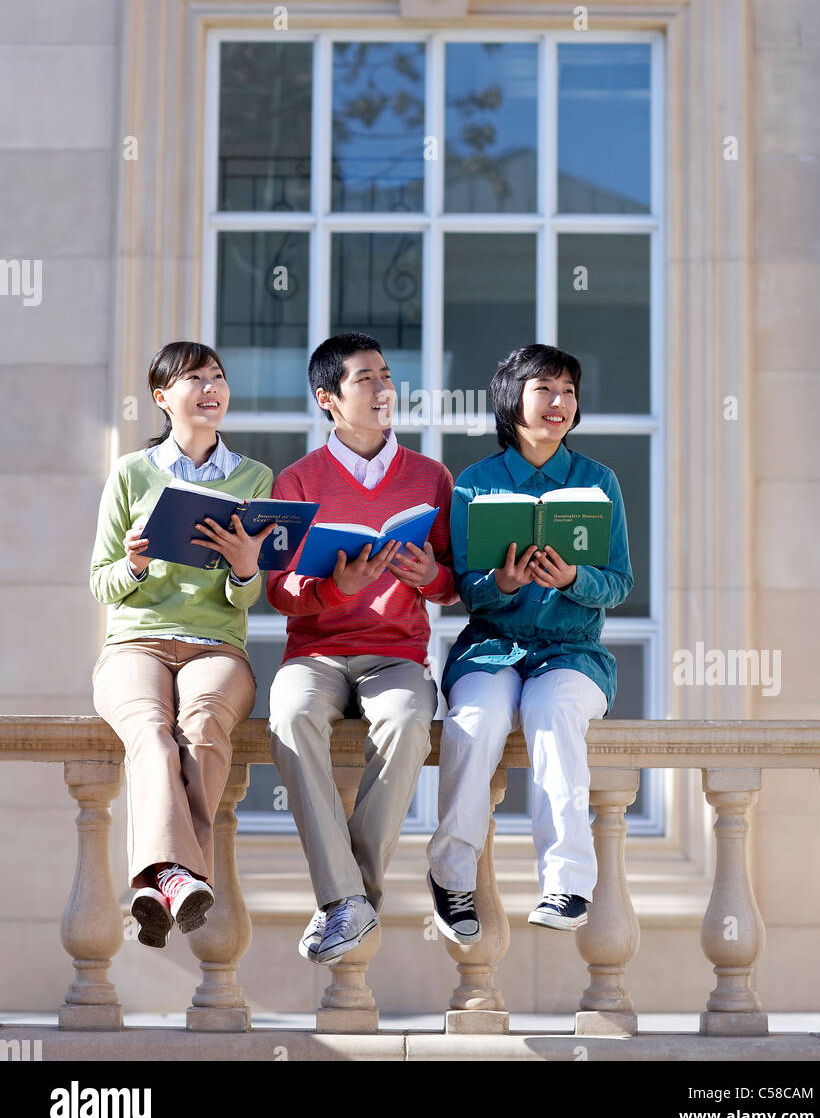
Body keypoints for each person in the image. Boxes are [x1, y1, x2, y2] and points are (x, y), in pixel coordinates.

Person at [426, 343, 633, 943]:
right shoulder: (475, 483)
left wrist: (575, 578)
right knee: (476, 719)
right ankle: (452, 877)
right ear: (511, 399)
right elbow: (465, 586)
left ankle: (567, 883)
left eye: (568, 390)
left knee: (552, 711)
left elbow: (619, 584)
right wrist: (501, 582)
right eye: (545, 389)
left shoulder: (599, 482)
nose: (559, 402)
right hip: (492, 646)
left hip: (572, 652)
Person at [267, 332, 458, 965]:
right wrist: (329, 588)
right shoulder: (296, 481)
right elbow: (279, 591)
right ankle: (351, 897)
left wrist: (425, 575)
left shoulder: (431, 478)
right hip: (315, 653)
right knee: (290, 715)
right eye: (365, 379)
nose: (384, 389)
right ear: (328, 398)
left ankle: (349, 900)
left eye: (386, 376)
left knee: (408, 720)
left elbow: (454, 586)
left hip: (395, 653)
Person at [89, 341, 275, 948]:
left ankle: (154, 877)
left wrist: (247, 568)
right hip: (136, 642)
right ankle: (179, 875)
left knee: (202, 728)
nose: (210, 387)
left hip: (216, 646)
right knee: (148, 729)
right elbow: (100, 581)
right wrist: (136, 564)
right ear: (162, 397)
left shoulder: (254, 479)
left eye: (218, 376)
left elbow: (244, 600)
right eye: (194, 378)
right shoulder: (130, 472)